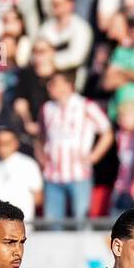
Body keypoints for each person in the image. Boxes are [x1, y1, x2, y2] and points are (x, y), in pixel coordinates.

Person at [37, 72, 112, 225]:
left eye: (55, 84)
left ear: (69, 86)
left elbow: (107, 132)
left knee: (81, 221)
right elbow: (40, 135)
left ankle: (83, 249)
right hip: (53, 175)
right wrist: (41, 156)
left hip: (79, 174)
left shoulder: (86, 106)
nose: (50, 88)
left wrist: (94, 156)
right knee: (52, 223)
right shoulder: (47, 108)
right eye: (50, 85)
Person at [0, 125, 45, 216]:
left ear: (16, 143)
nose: (2, 146)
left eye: (6, 142)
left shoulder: (28, 164)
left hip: (20, 225)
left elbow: (38, 198)